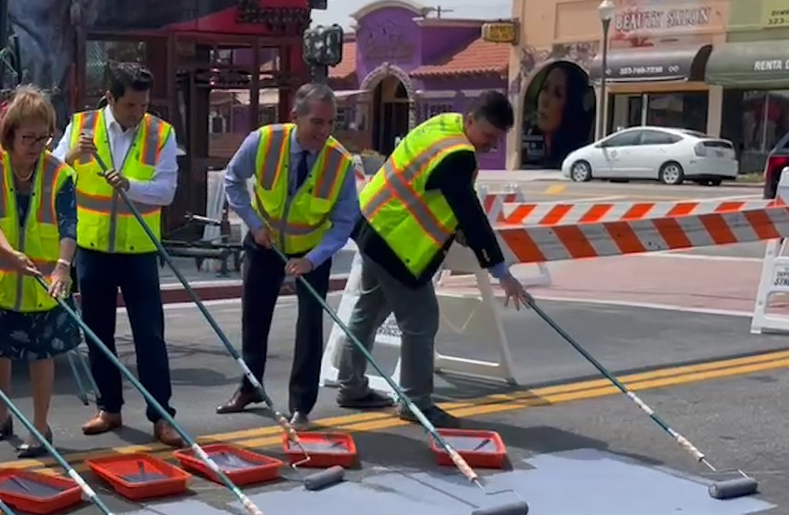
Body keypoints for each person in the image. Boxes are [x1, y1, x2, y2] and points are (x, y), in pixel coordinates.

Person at [334, 91, 530, 428]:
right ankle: (416, 402)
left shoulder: (442, 126)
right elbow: (470, 212)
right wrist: (500, 271)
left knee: (369, 309)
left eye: (498, 140)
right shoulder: (458, 155)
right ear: (471, 121)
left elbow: (435, 192)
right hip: (397, 244)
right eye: (487, 137)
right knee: (421, 321)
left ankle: (351, 386)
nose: (490, 146)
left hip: (372, 222)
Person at [52, 62, 182, 447]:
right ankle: (109, 407)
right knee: (98, 334)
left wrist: (131, 185)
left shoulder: (161, 133)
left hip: (138, 250)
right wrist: (72, 155)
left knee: (150, 336)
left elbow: (166, 190)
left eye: (143, 105)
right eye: (130, 105)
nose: (138, 113)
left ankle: (161, 415)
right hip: (92, 249)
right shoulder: (81, 126)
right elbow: (53, 174)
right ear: (110, 98)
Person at [216, 84, 361, 426]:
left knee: (310, 326)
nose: (323, 131)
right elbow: (232, 181)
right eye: (316, 122)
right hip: (264, 243)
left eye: (331, 123)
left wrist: (313, 258)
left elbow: (343, 223)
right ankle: (249, 387)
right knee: (255, 318)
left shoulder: (339, 162)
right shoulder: (264, 141)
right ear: (294, 117)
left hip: (311, 252)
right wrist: (253, 224)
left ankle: (302, 404)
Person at [0, 85, 81, 457]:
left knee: (40, 353)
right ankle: (1, 416)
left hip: (44, 280)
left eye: (45, 137)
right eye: (28, 137)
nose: (37, 146)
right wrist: (8, 251)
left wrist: (63, 267)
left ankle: (40, 426)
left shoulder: (60, 173)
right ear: (10, 133)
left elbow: (68, 225)